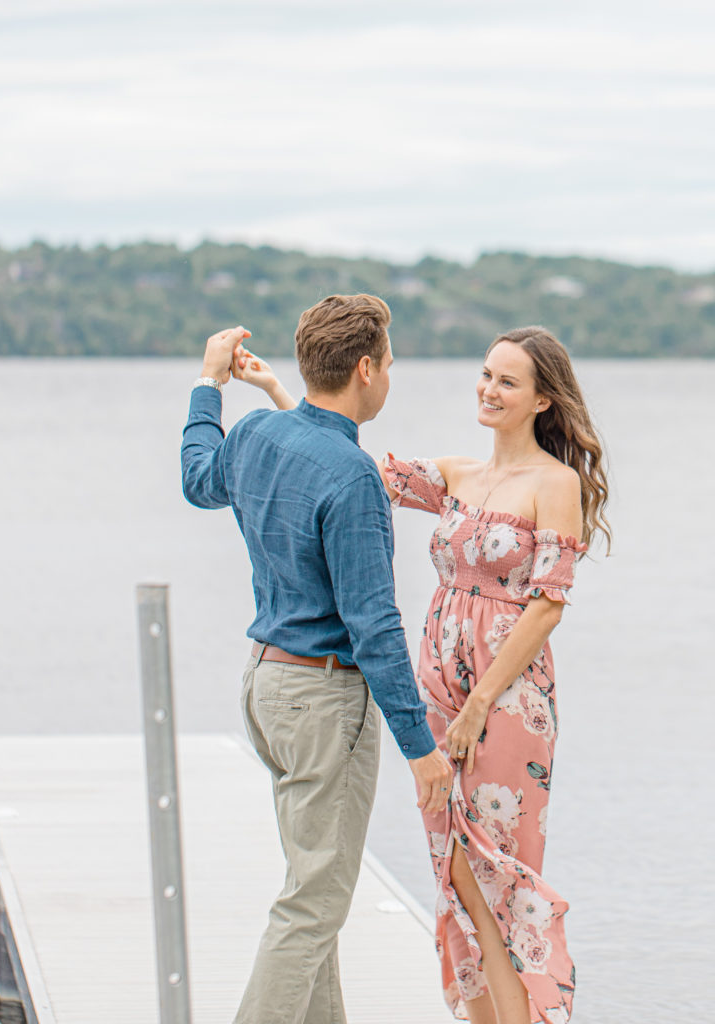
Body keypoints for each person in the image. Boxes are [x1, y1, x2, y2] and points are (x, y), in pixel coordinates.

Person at [232, 325, 609, 1024]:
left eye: (507, 382)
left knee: (494, 871)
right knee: (456, 872)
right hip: (439, 689)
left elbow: (547, 607)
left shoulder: (553, 485)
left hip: (505, 699)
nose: (488, 389)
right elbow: (341, 462)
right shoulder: (460, 476)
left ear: (542, 401)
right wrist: (280, 391)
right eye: (487, 374)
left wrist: (478, 707)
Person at [180, 295, 452, 1024]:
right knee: (313, 905)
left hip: (266, 685)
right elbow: (374, 626)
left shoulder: (260, 435)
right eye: (389, 362)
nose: (390, 375)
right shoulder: (354, 477)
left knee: (315, 892)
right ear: (365, 369)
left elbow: (198, 477)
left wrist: (211, 384)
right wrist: (419, 746)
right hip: (325, 700)